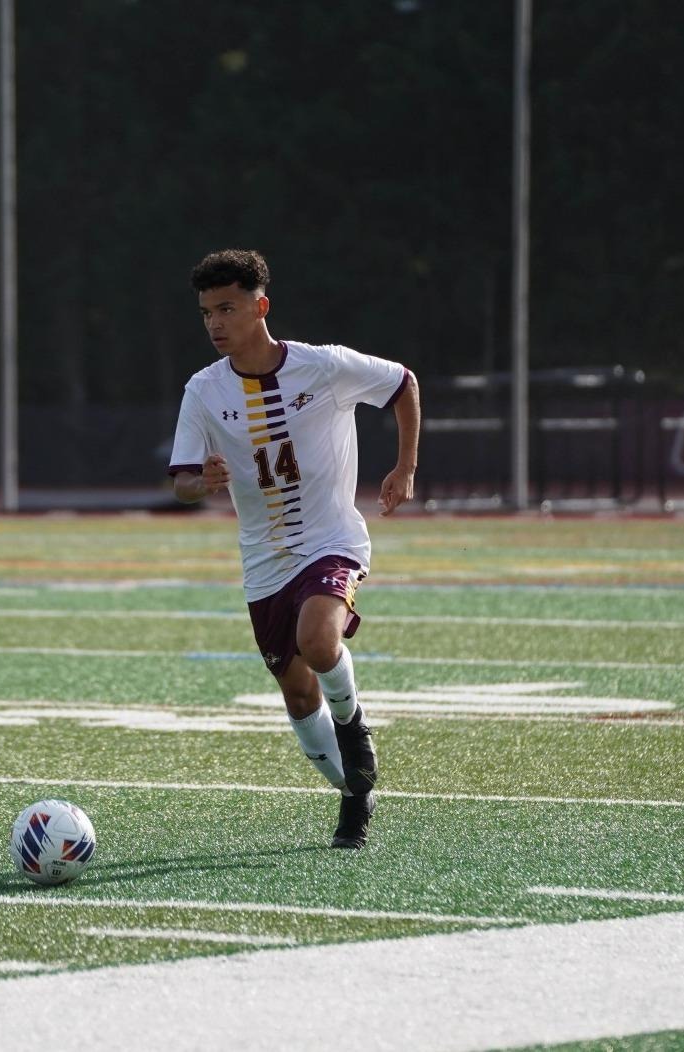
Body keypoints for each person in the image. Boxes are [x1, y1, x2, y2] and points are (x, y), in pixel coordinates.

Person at [167, 249, 421, 849]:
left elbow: (403, 383)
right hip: (263, 563)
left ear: (261, 307)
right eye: (206, 312)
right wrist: (199, 480)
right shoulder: (203, 391)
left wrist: (404, 467)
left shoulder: (324, 367)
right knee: (298, 692)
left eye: (227, 308)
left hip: (331, 541)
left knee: (318, 639)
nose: (215, 323)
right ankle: (356, 795)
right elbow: (178, 481)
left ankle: (355, 728)